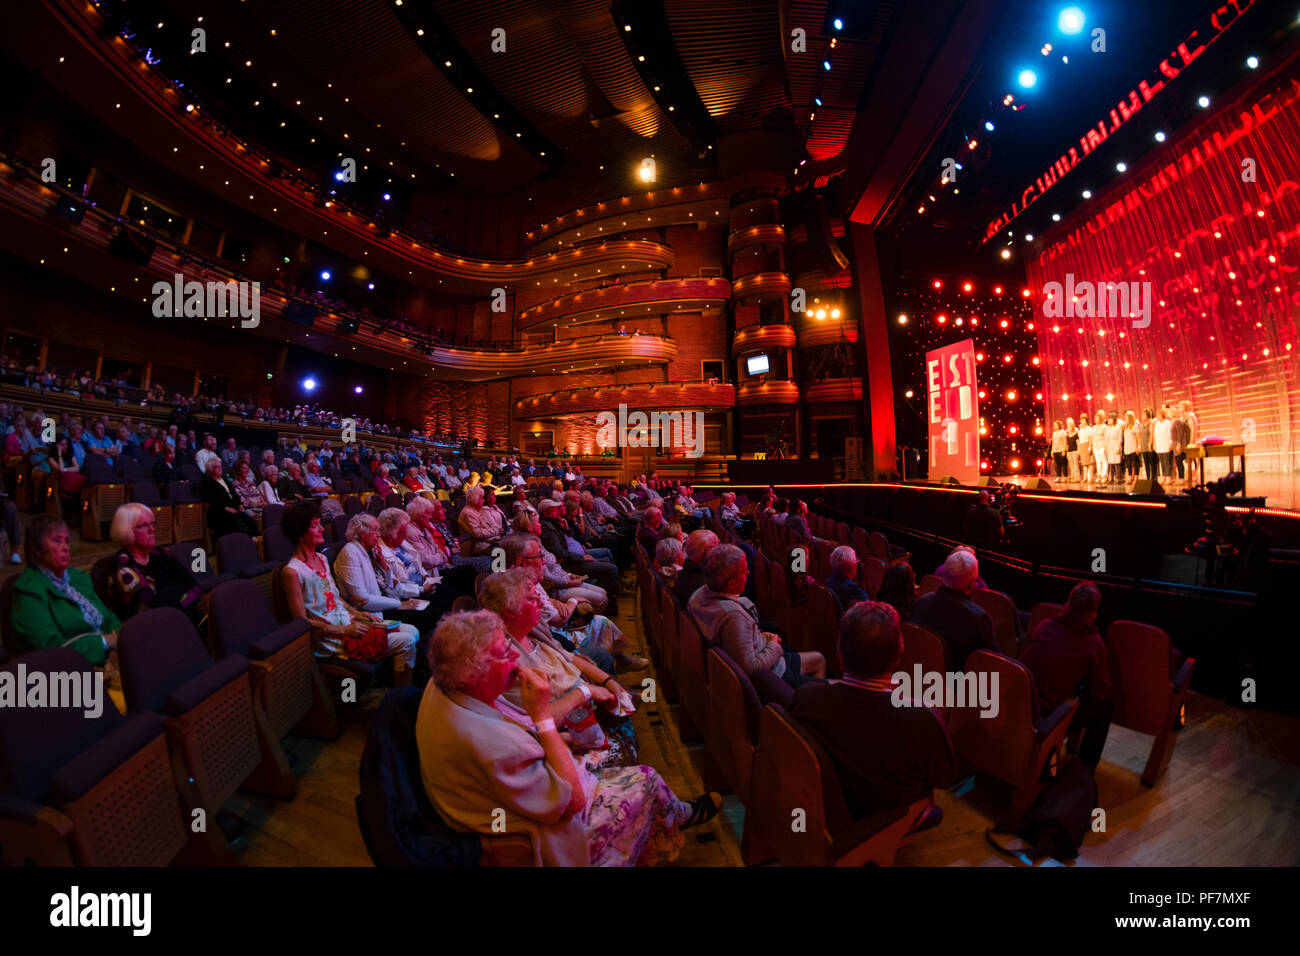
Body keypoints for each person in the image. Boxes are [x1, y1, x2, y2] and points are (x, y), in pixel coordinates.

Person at [415, 610, 721, 866]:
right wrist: (544, 720)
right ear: (473, 673)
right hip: (536, 839)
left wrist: (554, 735)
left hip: (505, 803)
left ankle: (675, 814)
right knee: (647, 778)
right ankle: (672, 819)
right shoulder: (495, 745)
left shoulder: (443, 685)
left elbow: (520, 737)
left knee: (596, 748)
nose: (516, 660)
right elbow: (571, 801)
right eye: (503, 655)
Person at [790, 601, 956, 824]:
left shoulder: (807, 697)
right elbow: (944, 778)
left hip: (823, 804)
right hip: (887, 816)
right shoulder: (922, 717)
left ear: (840, 653)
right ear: (899, 654)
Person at [279, 501, 416, 683]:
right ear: (299, 533)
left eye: (320, 523)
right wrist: (343, 628)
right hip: (331, 637)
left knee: (412, 631)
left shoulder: (321, 558)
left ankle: (382, 685)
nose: (322, 529)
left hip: (348, 621)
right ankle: (398, 693)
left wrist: (358, 613)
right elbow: (301, 622)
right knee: (406, 641)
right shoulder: (292, 571)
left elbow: (336, 598)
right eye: (314, 526)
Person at [688, 544, 825, 687]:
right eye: (743, 570)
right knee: (823, 675)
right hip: (773, 676)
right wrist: (773, 644)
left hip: (764, 655)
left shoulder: (697, 595)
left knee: (818, 658)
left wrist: (760, 636)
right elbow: (749, 669)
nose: (748, 572)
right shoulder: (733, 617)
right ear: (732, 582)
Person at [1019, 583, 1112, 769]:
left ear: (1067, 604)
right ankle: (1083, 771)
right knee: (1104, 709)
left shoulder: (1045, 625)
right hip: (1047, 719)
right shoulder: (1093, 644)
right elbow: (1101, 692)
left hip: (1019, 707)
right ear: (1093, 614)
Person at [11, 514, 120, 666]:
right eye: (57, 541)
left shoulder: (79, 577)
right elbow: (50, 648)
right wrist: (104, 643)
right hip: (66, 675)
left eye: (67, 541)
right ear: (36, 549)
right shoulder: (28, 590)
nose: (66, 547)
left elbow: (107, 616)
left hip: (108, 658)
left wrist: (119, 642)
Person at [106, 503, 203, 625]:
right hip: (160, 630)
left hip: (191, 620)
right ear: (126, 531)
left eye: (152, 523)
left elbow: (194, 586)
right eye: (143, 526)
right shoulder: (124, 569)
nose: (152, 530)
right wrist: (183, 598)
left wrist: (176, 602)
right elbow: (154, 611)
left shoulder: (162, 553)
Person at [907, 549, 996, 669]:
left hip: (915, 676)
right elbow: (993, 664)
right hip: (956, 685)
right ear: (971, 585)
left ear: (944, 576)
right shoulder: (978, 618)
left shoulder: (922, 601)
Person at [200, 457, 258, 539]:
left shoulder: (224, 479)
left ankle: (256, 538)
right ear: (210, 469)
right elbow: (209, 499)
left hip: (233, 508)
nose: (220, 468)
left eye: (221, 466)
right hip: (218, 511)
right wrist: (225, 508)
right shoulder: (207, 481)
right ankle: (248, 539)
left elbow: (234, 495)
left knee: (248, 519)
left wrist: (239, 504)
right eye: (217, 467)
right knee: (234, 521)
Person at [672, 529, 718, 607]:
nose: (719, 550)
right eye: (717, 546)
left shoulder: (684, 572)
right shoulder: (705, 587)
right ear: (708, 551)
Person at [458, 485, 502, 557]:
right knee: (502, 552)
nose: (484, 500)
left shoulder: (478, 510)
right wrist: (496, 531)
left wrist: (495, 530)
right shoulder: (468, 513)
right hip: (478, 546)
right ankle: (501, 568)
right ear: (475, 499)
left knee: (511, 546)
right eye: (481, 498)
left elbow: (491, 525)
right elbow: (478, 534)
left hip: (490, 541)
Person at [826, 545, 869, 611]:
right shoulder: (854, 590)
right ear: (851, 567)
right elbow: (869, 610)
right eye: (856, 561)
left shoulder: (828, 581)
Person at [1154, 405, 1174, 482]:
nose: (1157, 416)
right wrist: (1155, 444)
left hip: (1166, 445)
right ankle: (1164, 477)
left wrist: (1170, 443)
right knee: (1162, 462)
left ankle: (1169, 477)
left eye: (1159, 414)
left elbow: (1170, 434)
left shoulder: (1167, 423)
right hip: (1159, 445)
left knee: (1167, 462)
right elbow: (1155, 435)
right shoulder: (1157, 424)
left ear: (1162, 415)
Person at [1139, 408, 1157, 482]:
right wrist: (1140, 446)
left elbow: (1151, 434)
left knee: (1152, 463)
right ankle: (1148, 477)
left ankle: (1153, 478)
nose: (1142, 416)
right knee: (1146, 463)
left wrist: (1150, 444)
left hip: (1149, 446)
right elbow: (1140, 436)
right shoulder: (1142, 424)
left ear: (1147, 415)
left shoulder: (1151, 423)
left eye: (1144, 415)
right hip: (1143, 446)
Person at [1077, 412, 1095, 485]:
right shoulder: (1080, 430)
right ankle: (1085, 478)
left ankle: (1090, 478)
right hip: (1082, 445)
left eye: (1083, 420)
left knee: (1090, 462)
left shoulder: (1089, 429)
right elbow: (1079, 440)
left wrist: (1090, 446)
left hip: (1087, 444)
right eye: (1081, 420)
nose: (1082, 421)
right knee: (1084, 463)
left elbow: (1090, 438)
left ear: (1086, 420)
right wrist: (1078, 449)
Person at [1093, 407, 1110, 483]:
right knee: (1098, 462)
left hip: (1102, 446)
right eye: (1095, 418)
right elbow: (1093, 437)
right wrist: (1093, 446)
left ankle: (1104, 476)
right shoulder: (1094, 427)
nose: (1096, 420)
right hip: (1096, 446)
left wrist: (1106, 448)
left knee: (1104, 461)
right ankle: (1099, 475)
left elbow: (1106, 438)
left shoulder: (1104, 426)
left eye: (1098, 418)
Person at [1122, 410, 1139, 486]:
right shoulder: (1125, 426)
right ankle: (1129, 478)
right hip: (1127, 448)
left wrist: (1139, 446)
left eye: (1127, 417)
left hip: (1133, 447)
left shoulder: (1135, 425)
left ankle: (1136, 478)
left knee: (1135, 464)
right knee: (1128, 464)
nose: (1126, 418)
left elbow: (1138, 437)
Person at [1065, 417, 1079, 483]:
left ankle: (1077, 478)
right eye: (1068, 425)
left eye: (1070, 426)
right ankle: (1073, 477)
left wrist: (1078, 451)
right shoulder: (1067, 435)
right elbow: (1067, 444)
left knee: (1075, 464)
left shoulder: (1076, 434)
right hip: (1069, 451)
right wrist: (1066, 451)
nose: (1069, 427)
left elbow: (1078, 444)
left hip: (1074, 450)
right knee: (1071, 465)